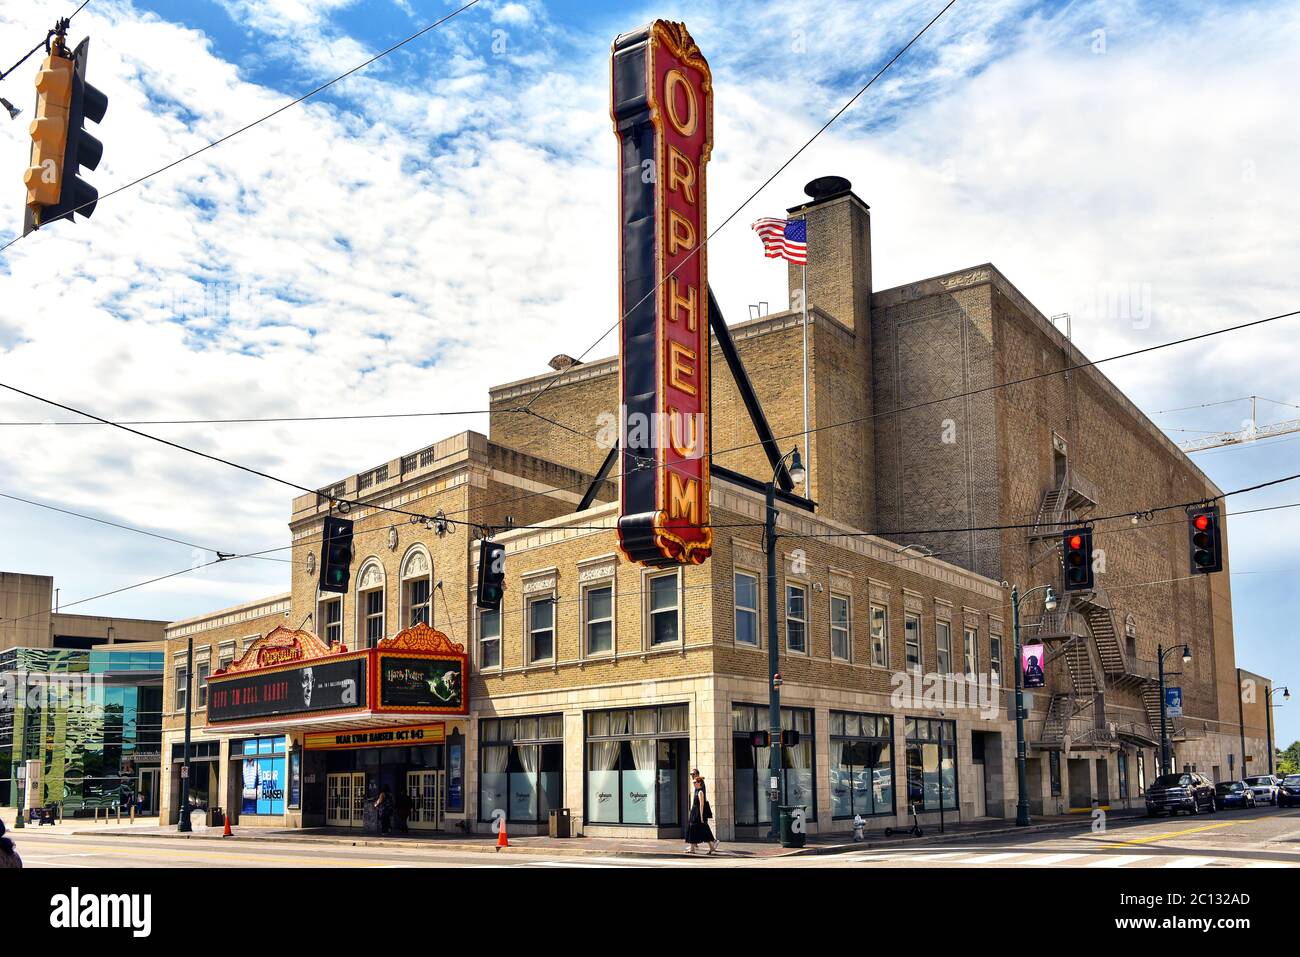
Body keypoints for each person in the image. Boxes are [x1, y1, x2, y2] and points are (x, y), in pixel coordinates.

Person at [685, 773, 718, 855]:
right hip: (694, 812)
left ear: (699, 783)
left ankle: (711, 847)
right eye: (693, 783)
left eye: (695, 782)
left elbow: (701, 804)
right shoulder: (696, 791)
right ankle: (693, 848)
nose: (693, 784)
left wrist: (701, 816)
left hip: (698, 814)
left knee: (703, 829)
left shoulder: (700, 792)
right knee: (694, 829)